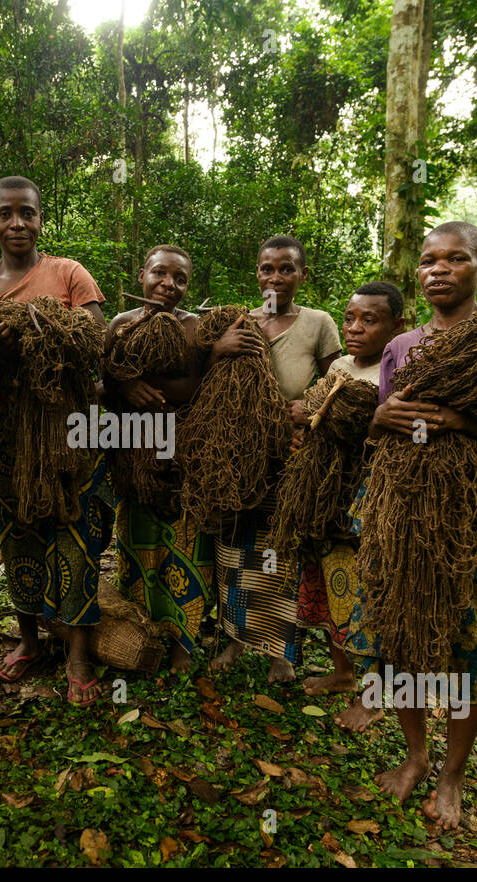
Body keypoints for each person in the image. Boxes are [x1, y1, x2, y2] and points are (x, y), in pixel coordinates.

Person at [356, 220, 477, 829]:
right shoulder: (401, 346)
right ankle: (415, 756)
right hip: (395, 507)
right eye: (429, 260)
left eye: (456, 259)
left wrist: (460, 420)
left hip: (462, 515)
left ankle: (451, 774)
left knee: (465, 639)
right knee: (398, 631)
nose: (439, 269)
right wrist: (383, 414)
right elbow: (380, 421)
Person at [0, 175, 111, 705]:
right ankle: (28, 641)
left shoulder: (68, 273)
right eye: (6, 213)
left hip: (71, 425)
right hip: (11, 428)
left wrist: (42, 329)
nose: (17, 223)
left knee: (76, 536)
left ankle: (76, 652)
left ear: (41, 217)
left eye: (27, 212)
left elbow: (95, 337)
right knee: (18, 533)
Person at [209, 235, 341, 683]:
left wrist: (308, 416)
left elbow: (338, 386)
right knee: (236, 550)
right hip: (243, 461)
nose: (275, 277)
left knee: (285, 553)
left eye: (286, 269)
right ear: (257, 274)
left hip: (293, 459)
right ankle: (234, 638)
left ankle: (281, 652)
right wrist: (215, 348)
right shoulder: (238, 322)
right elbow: (214, 387)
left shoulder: (319, 323)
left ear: (303, 275)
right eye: (267, 268)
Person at [294, 283, 404, 737]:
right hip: (324, 496)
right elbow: (313, 409)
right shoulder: (339, 365)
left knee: (367, 594)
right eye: (350, 318)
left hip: (369, 497)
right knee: (325, 584)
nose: (355, 329)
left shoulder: (397, 369)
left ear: (397, 327)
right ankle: (342, 672)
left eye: (370, 320)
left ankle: (373, 695)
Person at [104, 245, 214, 674]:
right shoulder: (120, 324)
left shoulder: (197, 330)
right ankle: (141, 632)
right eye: (160, 274)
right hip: (134, 450)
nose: (169, 285)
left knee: (186, 540)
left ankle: (184, 643)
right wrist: (127, 387)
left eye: (180, 279)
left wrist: (155, 391)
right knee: (139, 540)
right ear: (141, 276)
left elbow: (201, 389)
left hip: (184, 450)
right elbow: (104, 384)